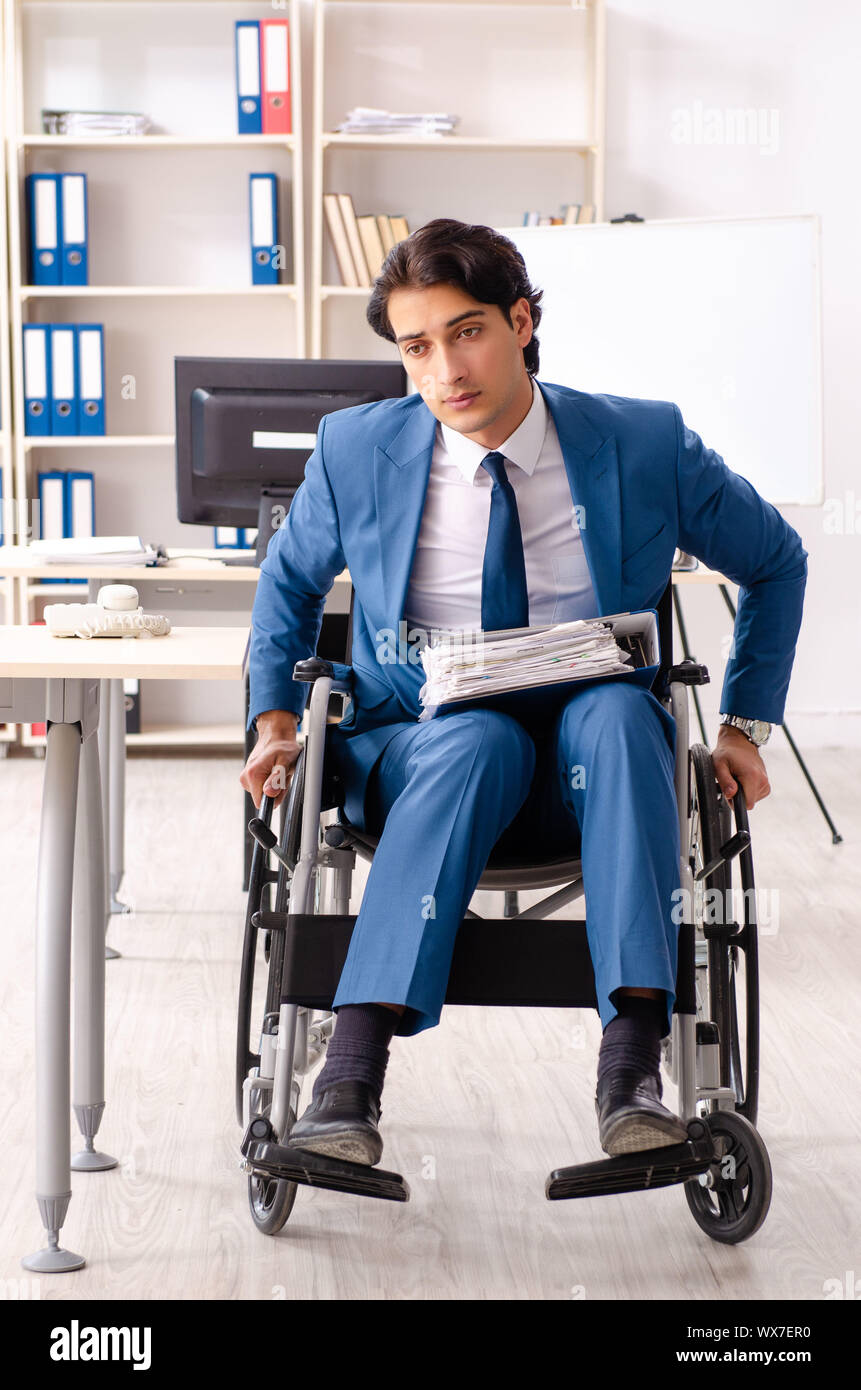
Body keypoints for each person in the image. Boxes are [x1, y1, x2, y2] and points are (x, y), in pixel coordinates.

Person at [241, 218, 807, 1168]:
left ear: (521, 319)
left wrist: (745, 727)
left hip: (595, 760)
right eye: (416, 347)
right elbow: (288, 586)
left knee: (626, 712)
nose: (444, 371)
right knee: (476, 742)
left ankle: (631, 1068)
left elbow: (776, 562)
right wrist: (276, 723)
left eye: (466, 332)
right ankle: (349, 1073)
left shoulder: (641, 441)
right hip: (423, 751)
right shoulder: (355, 450)